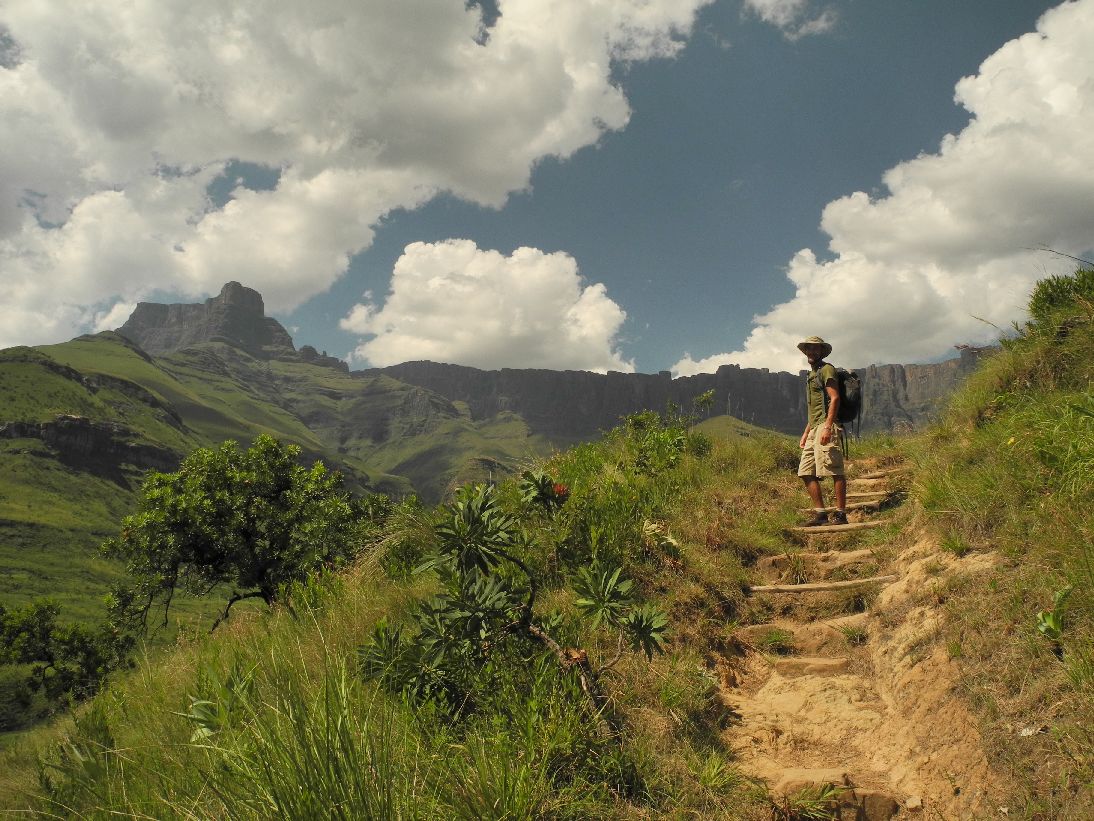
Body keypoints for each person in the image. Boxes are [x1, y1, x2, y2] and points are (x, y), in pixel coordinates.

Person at [797, 336, 847, 526]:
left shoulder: (827, 369)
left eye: (815, 349)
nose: (811, 352)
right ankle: (821, 514)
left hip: (827, 426)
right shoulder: (811, 375)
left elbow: (834, 399)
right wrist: (806, 432)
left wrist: (828, 426)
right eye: (809, 349)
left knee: (834, 469)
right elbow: (815, 408)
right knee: (805, 471)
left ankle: (841, 514)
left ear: (822, 352)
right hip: (814, 427)